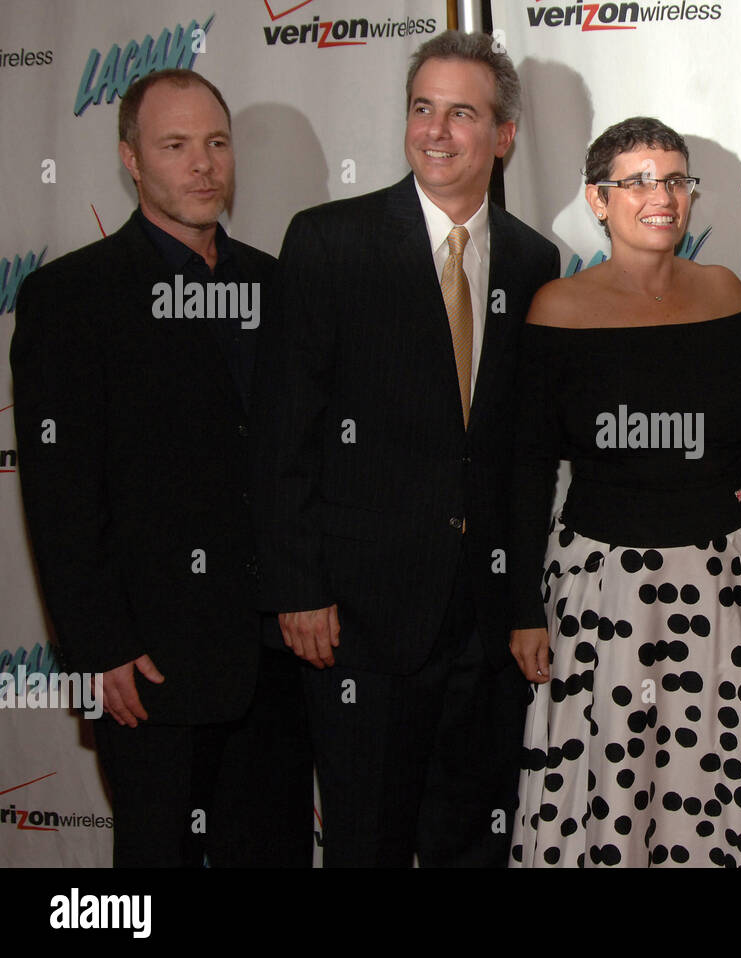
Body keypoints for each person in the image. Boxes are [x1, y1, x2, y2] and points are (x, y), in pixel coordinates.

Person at [252, 31, 559, 868]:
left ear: (504, 136)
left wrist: (523, 599)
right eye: (422, 108)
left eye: (462, 113)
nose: (435, 130)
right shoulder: (328, 241)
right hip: (359, 620)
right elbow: (286, 433)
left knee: (472, 843)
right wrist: (300, 588)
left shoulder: (536, 263)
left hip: (486, 625)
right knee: (367, 844)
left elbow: (523, 450)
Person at [10, 68, 312, 867]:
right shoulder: (71, 298)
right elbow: (59, 492)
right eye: (175, 145)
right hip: (147, 668)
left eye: (216, 143)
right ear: (131, 161)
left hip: (277, 660)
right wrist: (98, 646)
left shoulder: (275, 285)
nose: (202, 164)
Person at [508, 117, 741, 867]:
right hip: (603, 588)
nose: (662, 196)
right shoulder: (557, 307)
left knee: (718, 771)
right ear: (598, 199)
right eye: (639, 180)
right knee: (610, 779)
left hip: (722, 583)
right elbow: (521, 469)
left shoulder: (724, 293)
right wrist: (521, 609)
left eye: (676, 179)